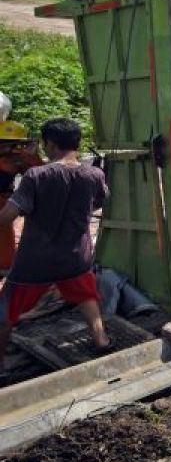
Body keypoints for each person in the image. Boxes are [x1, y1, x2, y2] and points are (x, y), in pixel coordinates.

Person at [0, 118, 110, 368]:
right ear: (77, 142)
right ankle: (102, 340)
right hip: (76, 257)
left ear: (48, 143)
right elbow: (99, 202)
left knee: (5, 311)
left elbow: (8, 216)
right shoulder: (94, 173)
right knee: (86, 296)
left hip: (36, 260)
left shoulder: (36, 176)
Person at [0, 120, 43, 274]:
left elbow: (41, 176)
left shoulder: (18, 159)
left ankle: (4, 268)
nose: (7, 148)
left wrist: (31, 157)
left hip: (3, 203)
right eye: (3, 143)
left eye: (12, 144)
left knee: (4, 236)